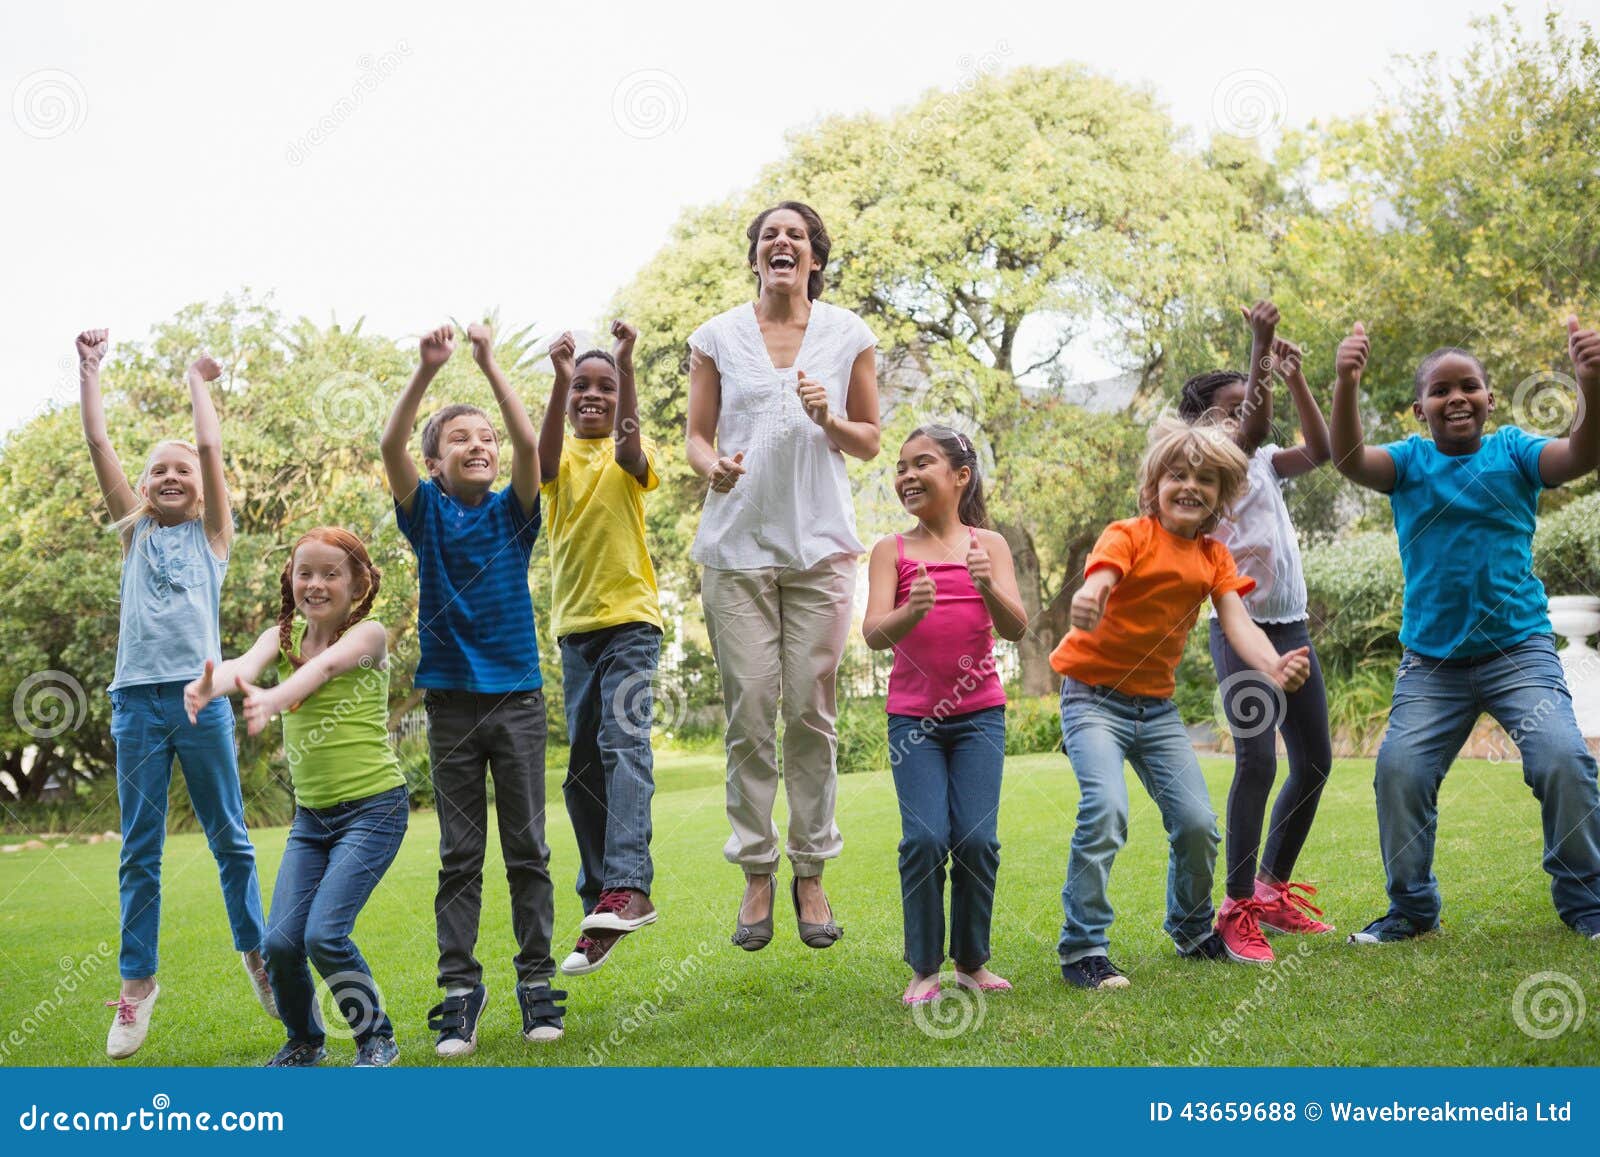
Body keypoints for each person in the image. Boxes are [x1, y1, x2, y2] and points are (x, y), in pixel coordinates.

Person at [1329, 317, 1600, 945]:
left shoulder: (1515, 451)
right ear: (1420, 408)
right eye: (1442, 390)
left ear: (1487, 397)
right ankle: (1412, 909)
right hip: (1431, 665)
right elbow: (1347, 459)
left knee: (1562, 758)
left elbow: (1583, 453)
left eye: (1469, 386)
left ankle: (1587, 902)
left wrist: (1589, 381)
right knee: (1399, 773)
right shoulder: (1408, 462)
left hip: (1519, 653)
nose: (1457, 397)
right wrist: (1345, 380)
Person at [1052, 418, 1311, 989]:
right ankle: (1083, 949)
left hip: (1157, 710)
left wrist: (1271, 666)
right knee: (1107, 813)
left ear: (1222, 496)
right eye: (1177, 475)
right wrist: (1090, 596)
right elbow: (1101, 576)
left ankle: (1193, 930)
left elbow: (1238, 623)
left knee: (1197, 823)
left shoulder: (1215, 557)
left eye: (1205, 479)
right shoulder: (1129, 533)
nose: (1190, 486)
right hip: (1093, 700)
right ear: (1154, 486)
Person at [685, 201, 880, 950]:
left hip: (821, 547)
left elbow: (867, 440)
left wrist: (830, 419)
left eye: (796, 236)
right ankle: (757, 869)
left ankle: (811, 868)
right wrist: (715, 466)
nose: (782, 243)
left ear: (815, 259)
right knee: (750, 709)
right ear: (756, 256)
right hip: (735, 549)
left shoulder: (847, 335)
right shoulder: (717, 338)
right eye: (770, 235)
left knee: (808, 709)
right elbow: (698, 439)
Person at [78, 329, 273, 1060]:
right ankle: (137, 988)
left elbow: (212, 451)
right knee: (140, 850)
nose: (167, 475)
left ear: (199, 491)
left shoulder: (212, 539)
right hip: (136, 703)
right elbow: (100, 445)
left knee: (231, 838)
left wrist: (198, 381)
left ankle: (259, 957)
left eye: (179, 470)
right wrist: (90, 370)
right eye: (156, 469)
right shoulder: (134, 535)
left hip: (201, 703)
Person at [380, 322, 564, 1054]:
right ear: (435, 461)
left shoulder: (513, 516)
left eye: (483, 435)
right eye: (460, 438)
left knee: (528, 849)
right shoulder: (423, 512)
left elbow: (530, 448)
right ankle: (460, 990)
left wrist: (491, 365)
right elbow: (391, 444)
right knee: (460, 853)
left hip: (517, 699)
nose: (478, 444)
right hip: (451, 705)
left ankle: (537, 982)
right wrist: (427, 373)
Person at [186, 529, 407, 1067]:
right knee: (281, 941)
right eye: (305, 572)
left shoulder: (369, 636)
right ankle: (304, 1039)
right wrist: (214, 685)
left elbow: (325, 669)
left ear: (356, 584)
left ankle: (376, 1037)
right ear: (291, 578)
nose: (316, 583)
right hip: (312, 820)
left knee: (325, 934)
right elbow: (243, 667)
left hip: (374, 810)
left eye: (331, 574)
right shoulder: (280, 636)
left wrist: (275, 699)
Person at [1178, 301, 1336, 964]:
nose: (1246, 411)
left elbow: (1324, 450)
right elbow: (1251, 428)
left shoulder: (1264, 456)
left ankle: (1270, 889)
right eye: (1233, 403)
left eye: (1252, 398)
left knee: (1316, 761)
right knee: (1259, 761)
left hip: (1291, 623)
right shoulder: (1209, 458)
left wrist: (1293, 376)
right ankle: (1236, 903)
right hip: (1239, 628)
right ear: (1206, 419)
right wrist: (1260, 343)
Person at [862, 426, 1028, 1005]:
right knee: (926, 839)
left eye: (921, 463)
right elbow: (873, 635)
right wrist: (911, 610)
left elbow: (1016, 627)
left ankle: (973, 962)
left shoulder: (991, 546)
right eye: (900, 466)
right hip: (915, 724)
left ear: (960, 476)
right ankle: (924, 968)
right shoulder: (892, 550)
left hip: (980, 714)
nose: (907, 475)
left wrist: (986, 586)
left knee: (978, 841)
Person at [539, 321, 664, 976]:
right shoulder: (556, 462)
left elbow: (629, 449)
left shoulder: (628, 458)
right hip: (576, 633)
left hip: (633, 625)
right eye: (581, 386)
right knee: (580, 771)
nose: (593, 394)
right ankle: (603, 906)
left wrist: (624, 362)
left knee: (624, 745)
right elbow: (537, 460)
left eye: (605, 388)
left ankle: (631, 884)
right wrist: (559, 379)